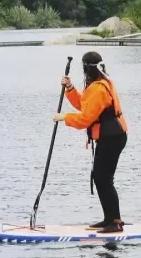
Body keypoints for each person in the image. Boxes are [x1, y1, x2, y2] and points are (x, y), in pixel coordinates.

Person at [53, 51, 128, 233]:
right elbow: (85, 105)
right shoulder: (98, 83)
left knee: (103, 179)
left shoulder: (98, 88)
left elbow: (85, 118)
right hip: (110, 136)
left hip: (112, 137)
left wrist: (64, 117)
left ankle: (115, 222)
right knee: (100, 178)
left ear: (86, 67)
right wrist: (70, 88)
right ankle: (109, 218)